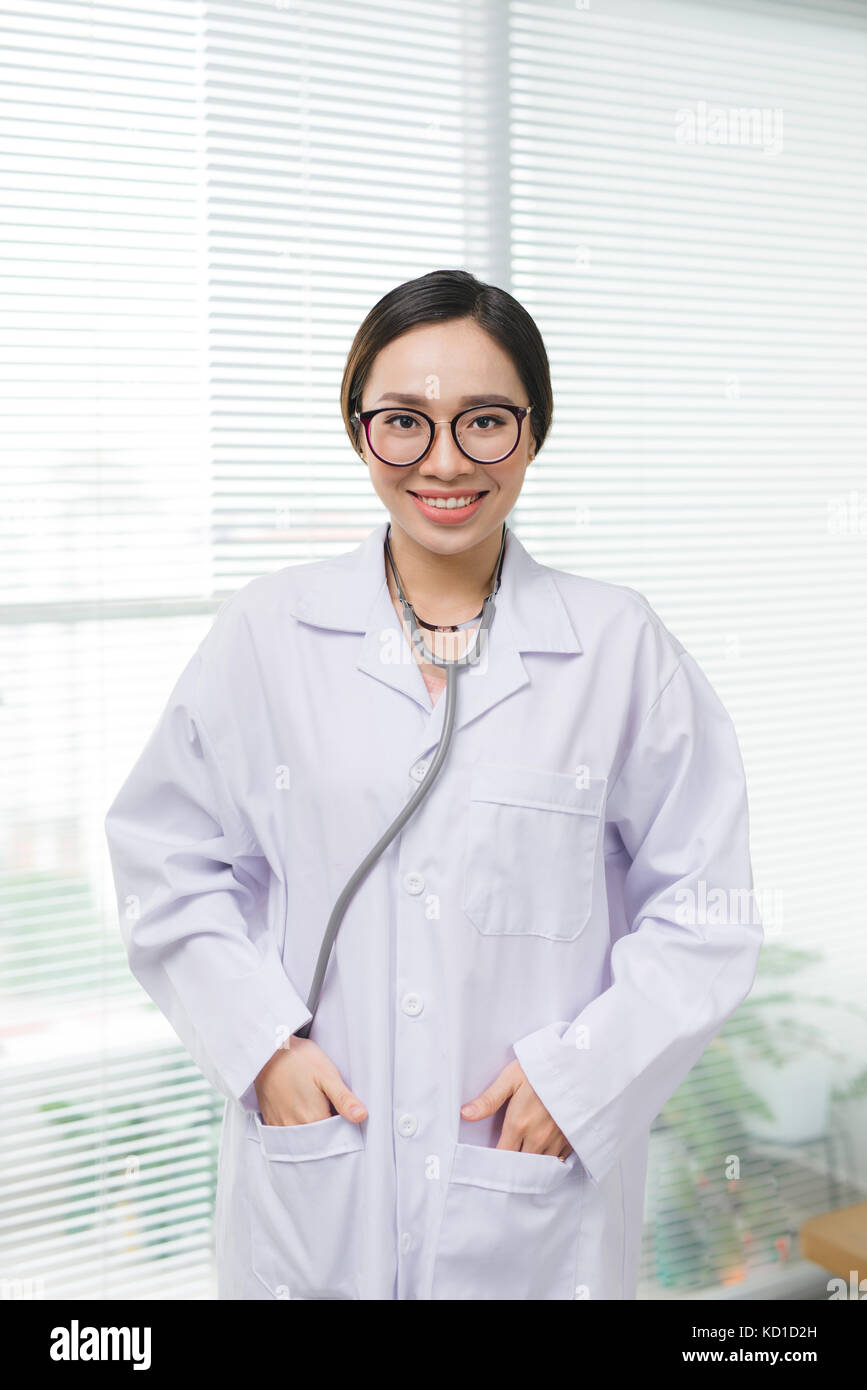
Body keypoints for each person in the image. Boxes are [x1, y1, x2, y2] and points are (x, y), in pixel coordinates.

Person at [104, 268, 763, 1301]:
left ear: (534, 430)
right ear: (359, 429)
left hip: (527, 1193)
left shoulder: (618, 648)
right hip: (317, 1186)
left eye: (485, 421)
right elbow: (164, 860)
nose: (445, 460)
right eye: (404, 422)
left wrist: (580, 1076)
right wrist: (261, 1043)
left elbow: (706, 912)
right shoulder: (267, 636)